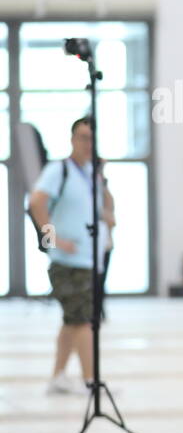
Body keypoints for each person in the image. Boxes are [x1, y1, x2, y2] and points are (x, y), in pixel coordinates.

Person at [28, 117, 114, 395]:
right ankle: (91, 380)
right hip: (69, 263)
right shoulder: (58, 170)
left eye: (92, 139)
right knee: (84, 322)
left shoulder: (91, 173)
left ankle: (58, 377)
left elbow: (107, 209)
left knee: (71, 321)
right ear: (72, 139)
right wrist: (53, 238)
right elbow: (36, 202)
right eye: (83, 138)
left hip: (90, 258)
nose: (88, 144)